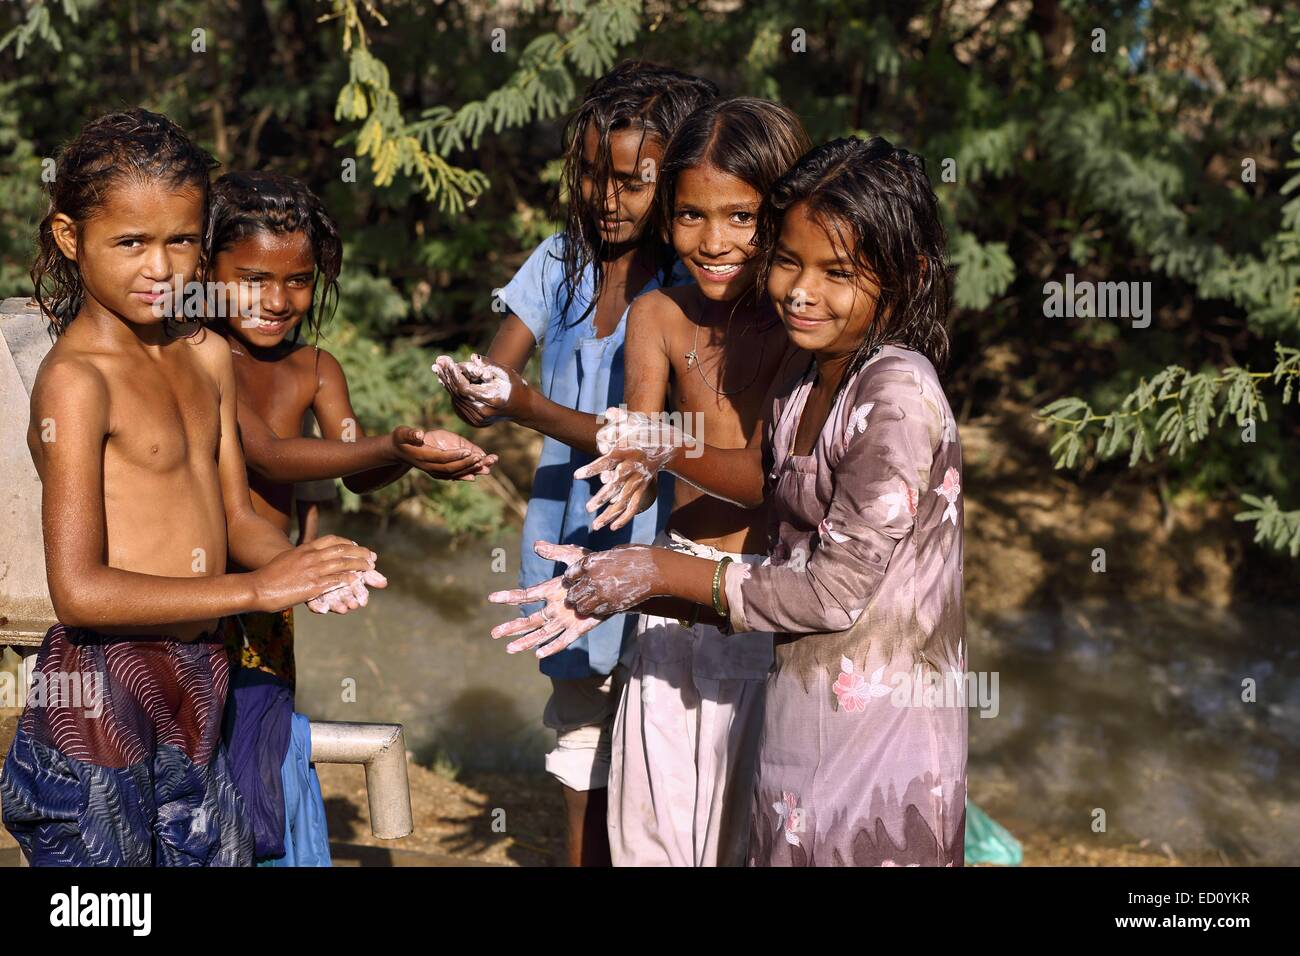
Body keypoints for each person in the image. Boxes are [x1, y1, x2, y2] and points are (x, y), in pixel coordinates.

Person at [490, 136, 968, 867]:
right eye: (788, 261)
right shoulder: (807, 381)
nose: (802, 291)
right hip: (800, 732)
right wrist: (620, 590)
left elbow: (833, 594)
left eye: (837, 272)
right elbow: (778, 529)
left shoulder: (896, 394)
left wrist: (657, 573)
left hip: (878, 754)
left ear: (908, 277)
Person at [0, 109, 381, 866]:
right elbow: (79, 591)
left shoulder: (203, 353)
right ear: (71, 239)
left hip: (200, 674)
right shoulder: (77, 383)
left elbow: (235, 515)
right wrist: (251, 594)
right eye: (131, 242)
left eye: (181, 239)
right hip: (101, 691)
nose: (162, 268)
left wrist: (306, 572)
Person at [435, 61, 717, 865]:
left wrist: (524, 404)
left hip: (664, 544)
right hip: (567, 533)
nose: (607, 196)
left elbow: (644, 435)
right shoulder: (558, 263)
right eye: (592, 173)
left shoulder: (689, 285)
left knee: (664, 725)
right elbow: (500, 369)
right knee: (582, 731)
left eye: (634, 181)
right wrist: (475, 394)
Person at [204, 170, 493, 865]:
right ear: (204, 270)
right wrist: (391, 444)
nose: (276, 301)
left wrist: (413, 451)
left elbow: (352, 468)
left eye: (298, 280)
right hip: (200, 589)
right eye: (251, 278)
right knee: (197, 751)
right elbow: (268, 455)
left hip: (275, 590)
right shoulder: (197, 354)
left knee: (259, 748)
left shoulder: (316, 368)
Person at [583, 97, 809, 866]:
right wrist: (626, 473)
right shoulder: (658, 317)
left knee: (747, 836)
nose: (715, 242)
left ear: (781, 213)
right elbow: (634, 456)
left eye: (742, 217)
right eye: (690, 217)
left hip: (768, 606)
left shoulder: (803, 329)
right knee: (654, 834)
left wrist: (655, 448)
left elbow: (767, 483)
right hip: (672, 602)